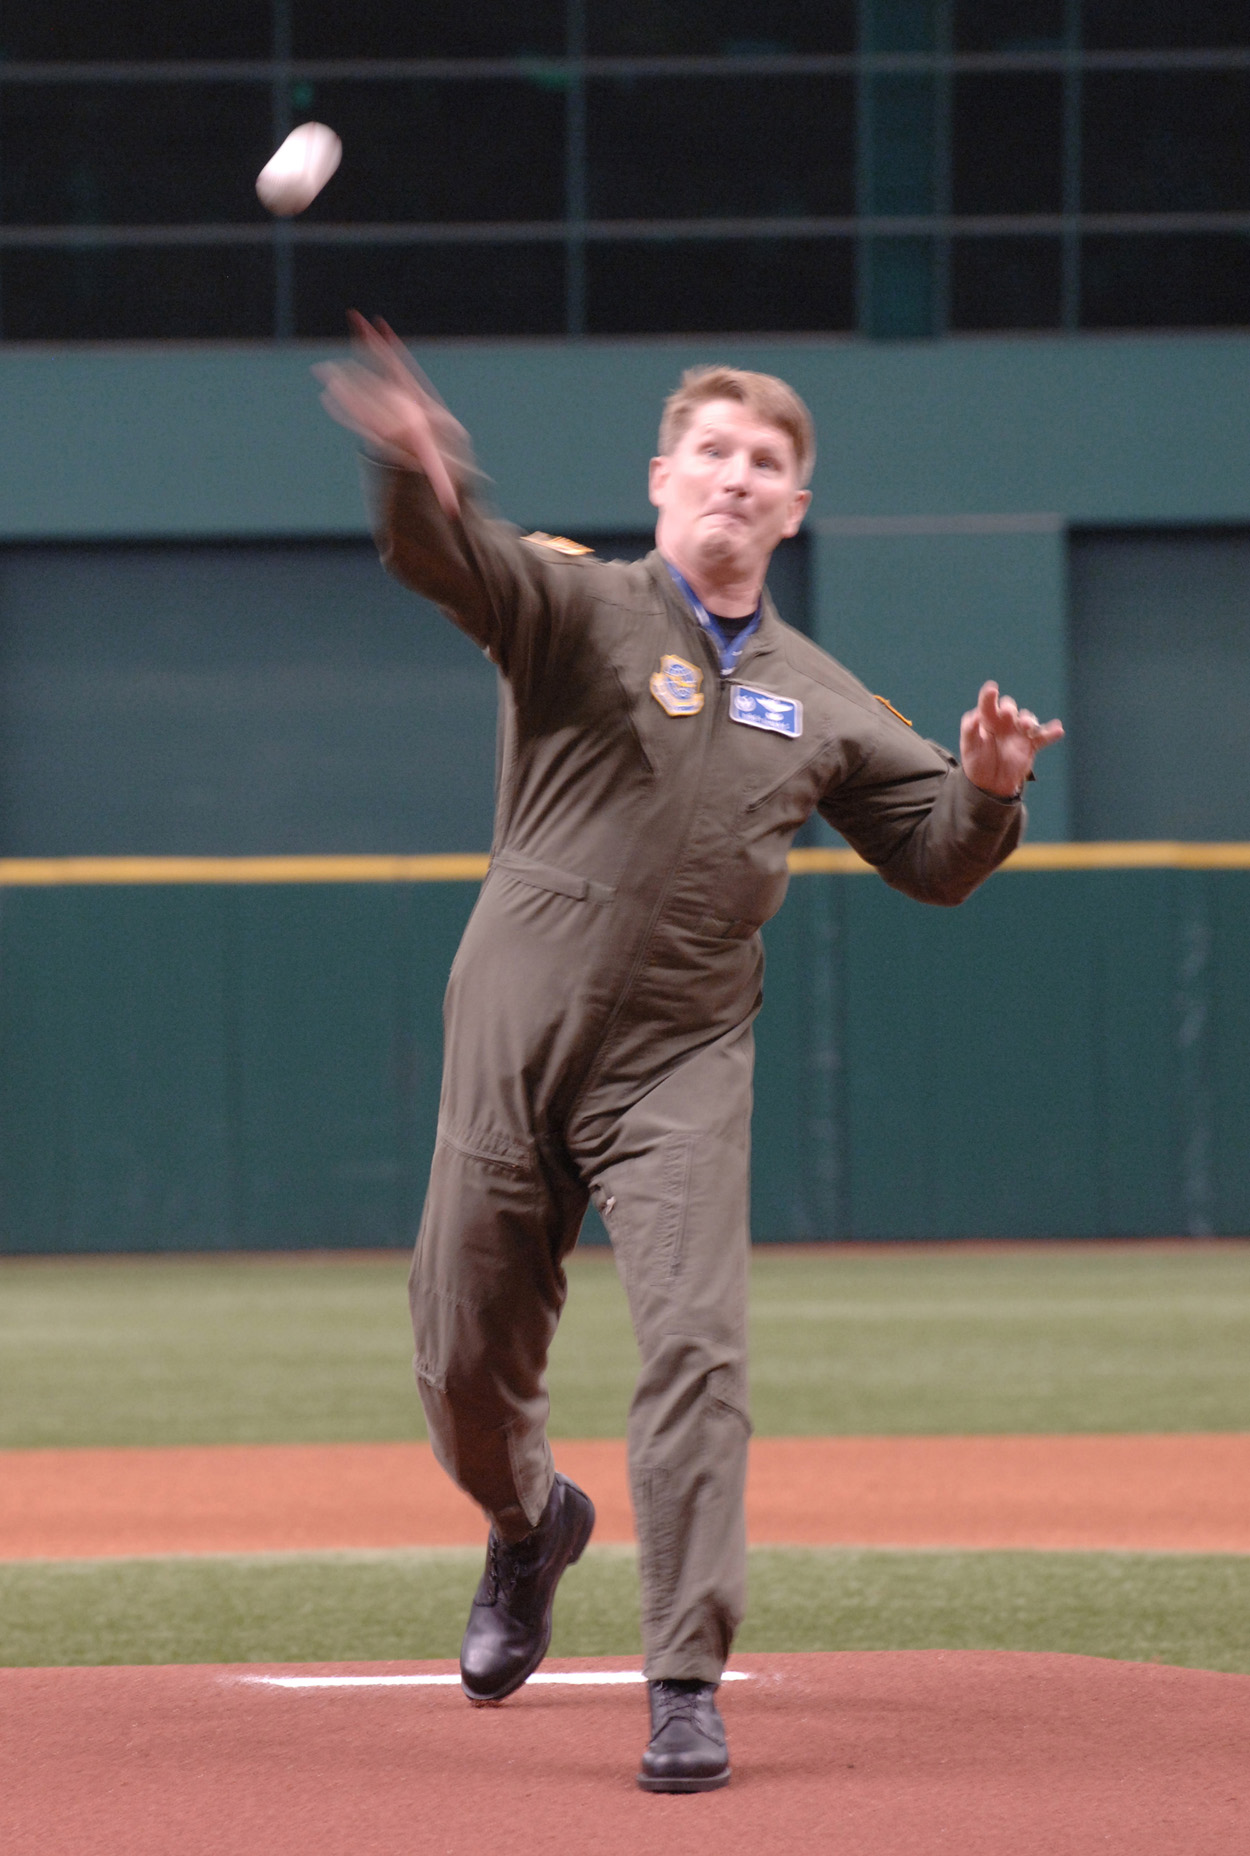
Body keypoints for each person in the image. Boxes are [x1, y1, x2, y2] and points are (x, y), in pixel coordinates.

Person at [316, 317, 1063, 1793]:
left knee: (696, 1350)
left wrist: (983, 794)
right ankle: (530, 1522)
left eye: (766, 463)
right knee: (462, 1363)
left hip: (677, 1058)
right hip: (514, 1033)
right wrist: (420, 467)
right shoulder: (578, 608)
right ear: (663, 479)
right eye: (712, 452)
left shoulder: (827, 696)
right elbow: (448, 559)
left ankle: (681, 1677)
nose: (735, 476)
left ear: (794, 507)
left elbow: (933, 858)